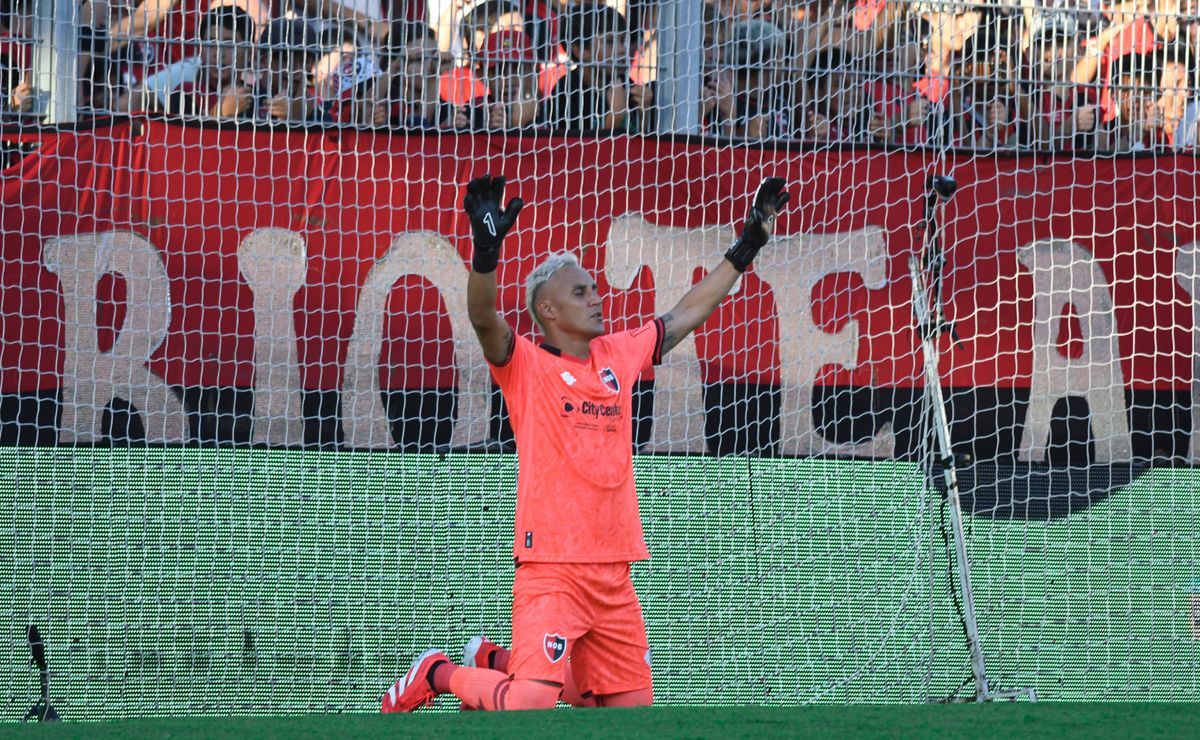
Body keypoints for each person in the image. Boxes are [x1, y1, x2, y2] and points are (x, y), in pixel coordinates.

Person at [381, 173, 791, 713]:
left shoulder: (618, 354)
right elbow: (482, 317)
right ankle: (438, 672)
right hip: (552, 566)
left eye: (594, 288)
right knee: (530, 706)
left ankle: (497, 662)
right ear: (548, 311)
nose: (596, 298)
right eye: (580, 292)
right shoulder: (525, 363)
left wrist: (747, 247)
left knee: (625, 718)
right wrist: (486, 251)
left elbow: (687, 313)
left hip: (614, 570)